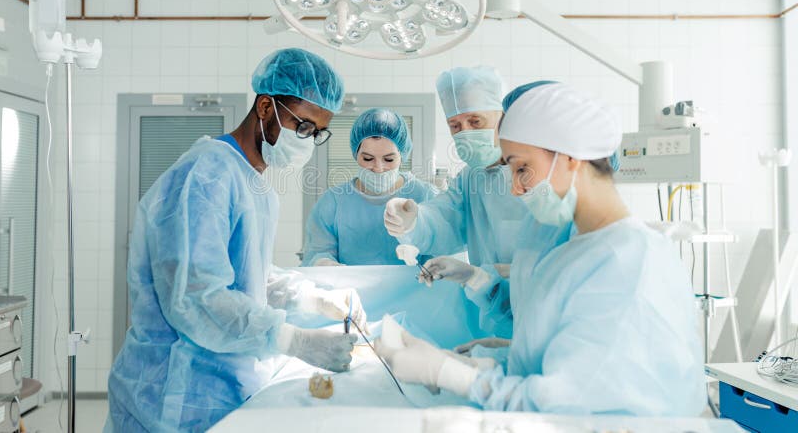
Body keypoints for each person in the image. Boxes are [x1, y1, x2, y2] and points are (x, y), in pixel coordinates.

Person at [376, 81, 705, 416]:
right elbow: (552, 341)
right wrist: (493, 359)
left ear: (571, 157)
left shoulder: (628, 263)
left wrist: (455, 374)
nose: (516, 189)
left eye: (521, 168)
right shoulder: (571, 245)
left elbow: (570, 405)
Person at [106, 48, 367, 432]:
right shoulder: (205, 176)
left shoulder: (255, 187)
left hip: (222, 385)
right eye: (304, 126)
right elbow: (197, 296)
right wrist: (294, 339)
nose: (309, 141)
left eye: (318, 133)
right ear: (265, 107)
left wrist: (312, 297)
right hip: (173, 393)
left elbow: (249, 277)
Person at [383, 67, 567, 337]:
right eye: (455, 126)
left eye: (475, 121)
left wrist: (485, 275)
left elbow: (570, 264)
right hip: (496, 311)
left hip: (553, 315)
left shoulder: (549, 174)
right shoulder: (472, 178)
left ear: (503, 118)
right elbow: (445, 218)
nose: (464, 133)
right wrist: (413, 221)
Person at [302, 108, 438, 266]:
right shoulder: (333, 201)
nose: (378, 168)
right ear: (356, 154)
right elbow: (318, 251)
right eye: (367, 159)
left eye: (389, 159)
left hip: (416, 289)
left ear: (402, 156)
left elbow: (441, 251)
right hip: (349, 289)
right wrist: (323, 263)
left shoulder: (425, 195)